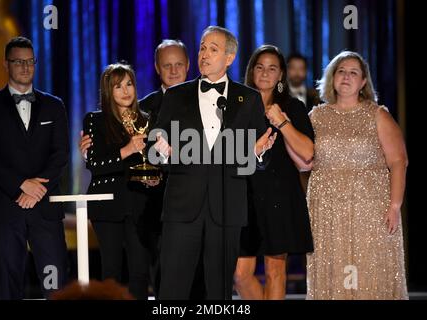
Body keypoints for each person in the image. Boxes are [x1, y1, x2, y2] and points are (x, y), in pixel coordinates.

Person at [152, 26, 276, 300]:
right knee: (172, 288)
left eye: (213, 49)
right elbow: (156, 143)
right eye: (202, 48)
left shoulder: (249, 99)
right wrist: (160, 149)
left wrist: (256, 152)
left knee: (217, 292)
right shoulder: (176, 96)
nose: (204, 54)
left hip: (226, 211)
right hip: (182, 209)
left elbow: (262, 155)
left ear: (229, 58)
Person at [306, 51, 408, 299]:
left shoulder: (377, 115)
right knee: (333, 266)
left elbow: (398, 161)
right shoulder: (316, 116)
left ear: (363, 82)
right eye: (341, 71)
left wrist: (395, 206)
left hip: (370, 209)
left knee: (368, 269)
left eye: (353, 72)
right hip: (327, 209)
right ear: (332, 77)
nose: (346, 76)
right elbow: (304, 160)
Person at [0, 36, 69, 299]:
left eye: (30, 61)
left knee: (55, 285)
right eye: (19, 62)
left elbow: (60, 154)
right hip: (5, 207)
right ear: (6, 65)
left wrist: (36, 189)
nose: (26, 67)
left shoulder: (54, 105)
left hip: (45, 207)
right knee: (9, 285)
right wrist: (21, 184)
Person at [234, 45, 314, 300]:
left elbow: (308, 152)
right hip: (244, 196)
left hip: (281, 195)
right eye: (260, 67)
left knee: (275, 271)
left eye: (272, 68)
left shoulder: (293, 107)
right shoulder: (237, 107)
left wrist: (281, 120)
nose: (265, 73)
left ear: (281, 75)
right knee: (240, 273)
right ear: (251, 72)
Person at [82, 63, 159, 300]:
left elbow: (156, 160)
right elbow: (95, 164)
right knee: (111, 271)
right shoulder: (95, 120)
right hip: (107, 204)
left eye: (129, 84)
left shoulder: (147, 120)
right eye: (118, 86)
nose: (125, 91)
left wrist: (155, 174)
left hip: (139, 203)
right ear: (108, 91)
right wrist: (126, 149)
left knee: (139, 272)